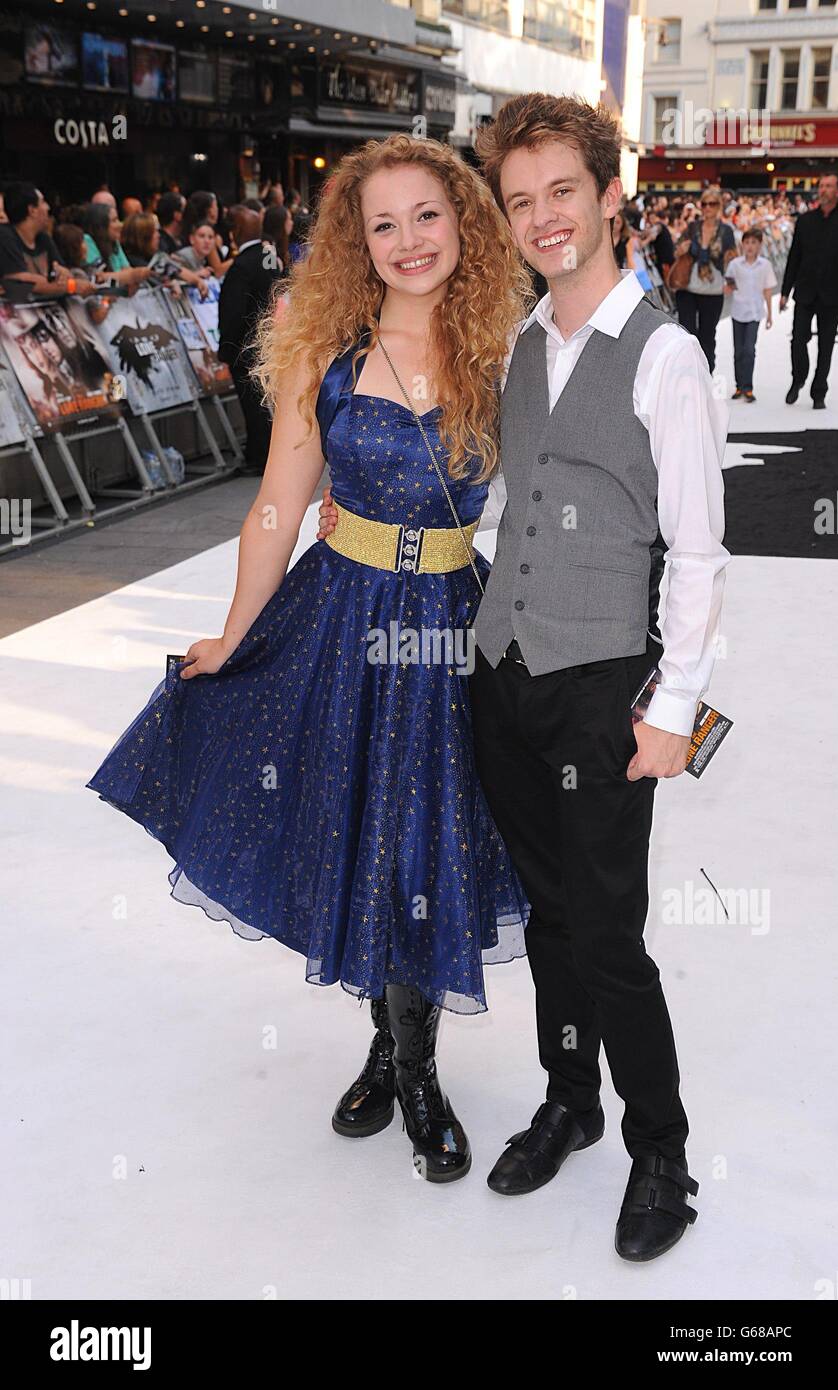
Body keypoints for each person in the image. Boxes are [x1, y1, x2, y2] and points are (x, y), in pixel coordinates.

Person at [319, 95, 730, 1261]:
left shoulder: (668, 359)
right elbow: (497, 496)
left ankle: (661, 1153)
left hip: (606, 688)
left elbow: (697, 550)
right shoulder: (522, 343)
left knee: (608, 932)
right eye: (520, 201)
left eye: (564, 193)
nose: (544, 218)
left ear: (610, 197)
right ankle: (570, 1097)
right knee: (549, 916)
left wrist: (672, 707)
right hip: (503, 674)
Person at [86, 134, 532, 1185]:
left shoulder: (508, 350)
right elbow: (277, 506)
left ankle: (412, 1069)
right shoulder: (325, 358)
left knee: (426, 837)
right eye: (382, 223)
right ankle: (389, 1045)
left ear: (463, 220)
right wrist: (236, 632)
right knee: (362, 825)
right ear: (354, 241)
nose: (408, 240)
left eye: (427, 214)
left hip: (450, 629)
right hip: (340, 619)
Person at [217, 205, 281, 475]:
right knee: (266, 401)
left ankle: (258, 456)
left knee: (253, 402)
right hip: (269, 338)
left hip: (246, 345)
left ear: (236, 232)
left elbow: (233, 312)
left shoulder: (241, 266)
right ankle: (265, 451)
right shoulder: (268, 255)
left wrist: (226, 348)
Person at [780, 170, 838, 409]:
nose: (823, 190)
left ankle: (819, 392)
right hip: (805, 292)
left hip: (833, 295)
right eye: (821, 185)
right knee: (798, 339)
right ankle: (798, 379)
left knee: (825, 346)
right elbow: (794, 257)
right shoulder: (805, 221)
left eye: (828, 186)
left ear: (837, 191)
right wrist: (785, 291)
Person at [673, 186, 737, 372]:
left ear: (719, 206)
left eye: (712, 204)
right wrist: (682, 249)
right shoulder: (693, 228)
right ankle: (688, 374)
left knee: (708, 336)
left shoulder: (726, 231)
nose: (708, 207)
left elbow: (732, 259)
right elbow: (676, 250)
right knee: (687, 334)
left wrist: (731, 282)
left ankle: (706, 376)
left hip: (713, 289)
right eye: (704, 204)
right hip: (688, 288)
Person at [0, 183, 83, 299]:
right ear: (32, 210)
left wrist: (63, 277)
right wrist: (72, 286)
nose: (48, 207)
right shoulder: (4, 236)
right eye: (43, 202)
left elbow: (65, 275)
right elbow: (19, 280)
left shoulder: (43, 238)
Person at [724, 226, 776, 402]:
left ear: (760, 245)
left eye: (753, 242)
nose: (750, 246)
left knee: (749, 350)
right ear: (742, 244)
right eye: (746, 242)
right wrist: (728, 285)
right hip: (738, 311)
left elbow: (767, 289)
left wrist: (770, 313)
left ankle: (748, 387)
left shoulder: (765, 265)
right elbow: (728, 288)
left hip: (755, 312)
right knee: (738, 351)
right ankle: (739, 385)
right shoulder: (735, 264)